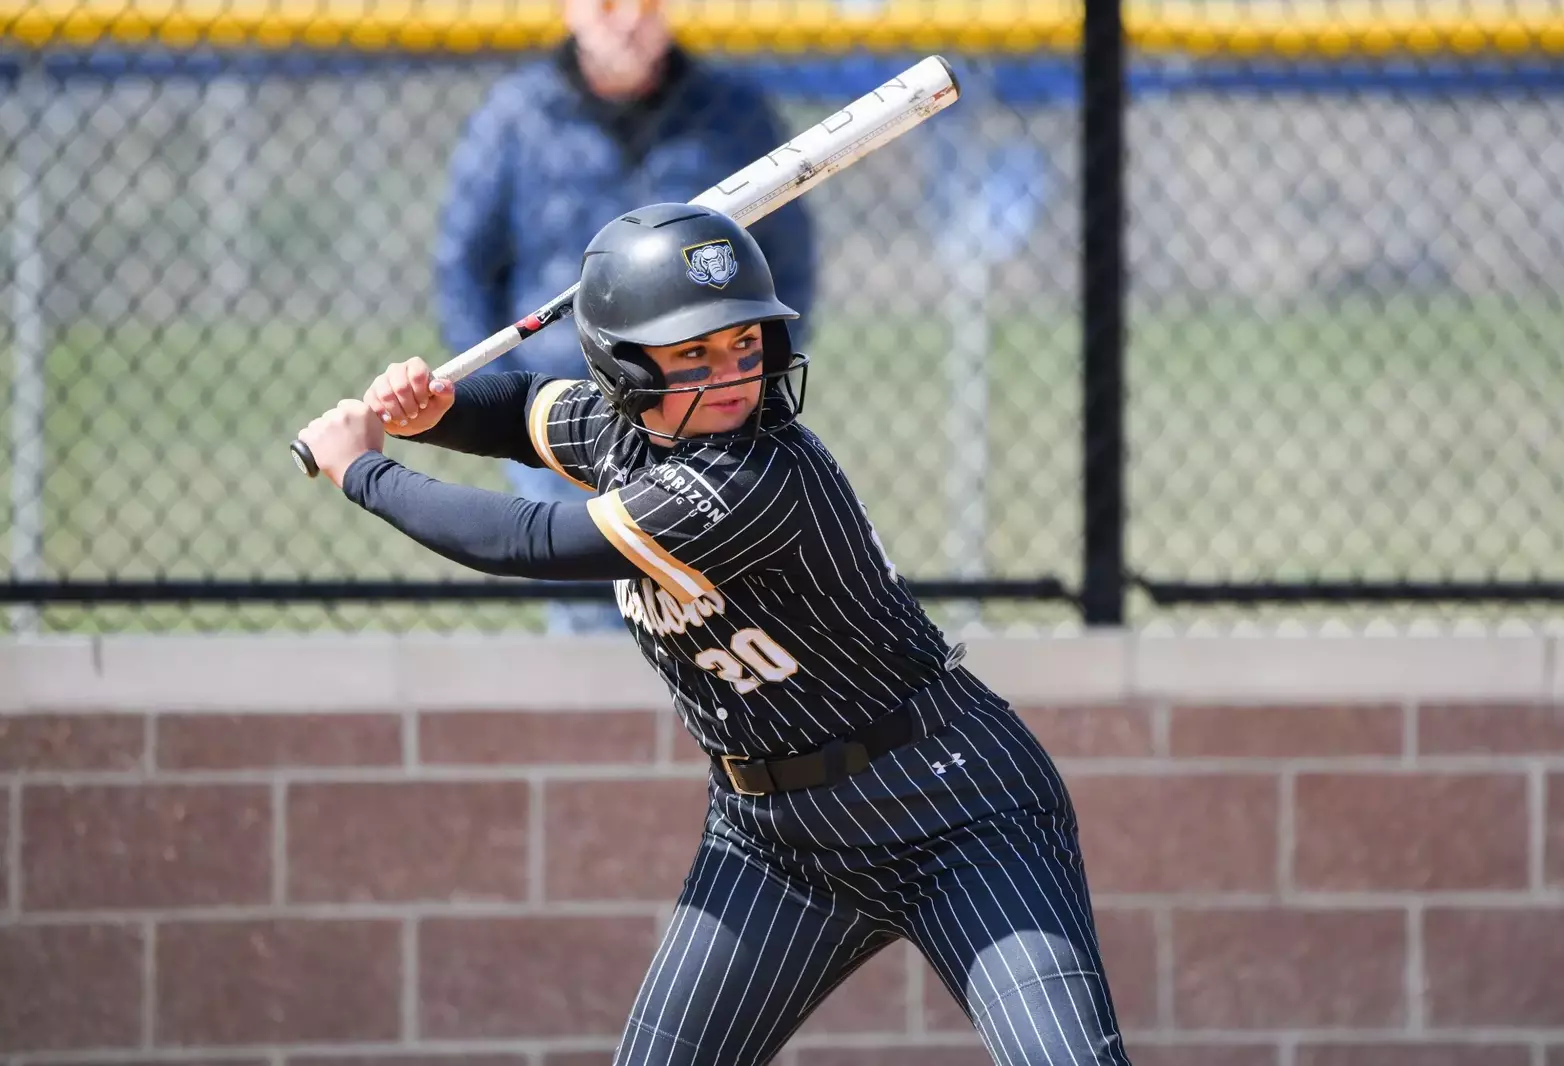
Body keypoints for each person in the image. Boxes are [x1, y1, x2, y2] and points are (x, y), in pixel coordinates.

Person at [295, 203, 1131, 1066]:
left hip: (954, 809)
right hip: (773, 840)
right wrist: (433, 408)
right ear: (625, 367)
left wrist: (364, 469)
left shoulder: (754, 474)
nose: (731, 373)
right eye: (691, 352)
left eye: (745, 344)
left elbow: (524, 542)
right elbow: (523, 408)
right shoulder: (626, 432)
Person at [433, 0, 818, 634]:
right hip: (565, 412)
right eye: (609, 4)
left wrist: (750, 377)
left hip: (705, 421)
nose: (631, 19)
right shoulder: (516, 116)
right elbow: (464, 268)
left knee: (709, 620)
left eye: (648, 4)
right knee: (594, 622)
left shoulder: (732, 112)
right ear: (570, 11)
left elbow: (788, 259)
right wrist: (504, 394)